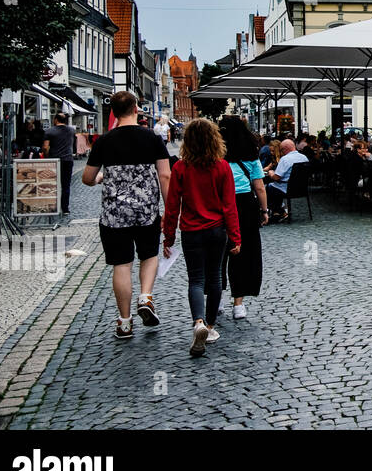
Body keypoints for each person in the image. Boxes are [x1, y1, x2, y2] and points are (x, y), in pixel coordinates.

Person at [82, 91, 171, 340]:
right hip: (146, 212)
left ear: (114, 112)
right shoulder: (152, 138)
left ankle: (124, 322)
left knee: (121, 264)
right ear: (135, 108)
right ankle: (145, 296)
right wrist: (169, 210)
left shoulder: (104, 141)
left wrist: (102, 177)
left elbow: (87, 178)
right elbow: (165, 175)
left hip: (114, 215)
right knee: (149, 255)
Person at [163, 118, 240, 357]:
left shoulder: (180, 168)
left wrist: (168, 237)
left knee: (195, 279)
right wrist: (235, 236)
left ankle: (197, 322)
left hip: (191, 231)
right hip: (217, 230)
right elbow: (229, 206)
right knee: (215, 277)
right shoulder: (223, 167)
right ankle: (210, 326)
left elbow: (172, 205)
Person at [218, 115, 268, 320]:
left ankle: (216, 297)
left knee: (219, 253)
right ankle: (238, 303)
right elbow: (259, 187)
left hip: (220, 204)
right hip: (245, 205)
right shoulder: (251, 155)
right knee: (243, 254)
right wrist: (264, 210)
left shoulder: (217, 156)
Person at [264, 138, 309, 222]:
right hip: (302, 189)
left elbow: (276, 177)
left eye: (281, 150)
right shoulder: (304, 158)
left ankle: (280, 212)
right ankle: (277, 212)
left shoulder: (285, 159)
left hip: (287, 188)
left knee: (269, 187)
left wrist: (271, 173)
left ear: (285, 149)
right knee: (274, 187)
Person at [43, 112, 77, 215]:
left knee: (52, 185)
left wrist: (47, 155)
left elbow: (45, 147)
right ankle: (65, 208)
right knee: (66, 185)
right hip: (68, 160)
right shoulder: (71, 130)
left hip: (54, 161)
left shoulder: (49, 131)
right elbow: (74, 144)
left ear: (56, 120)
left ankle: (52, 207)